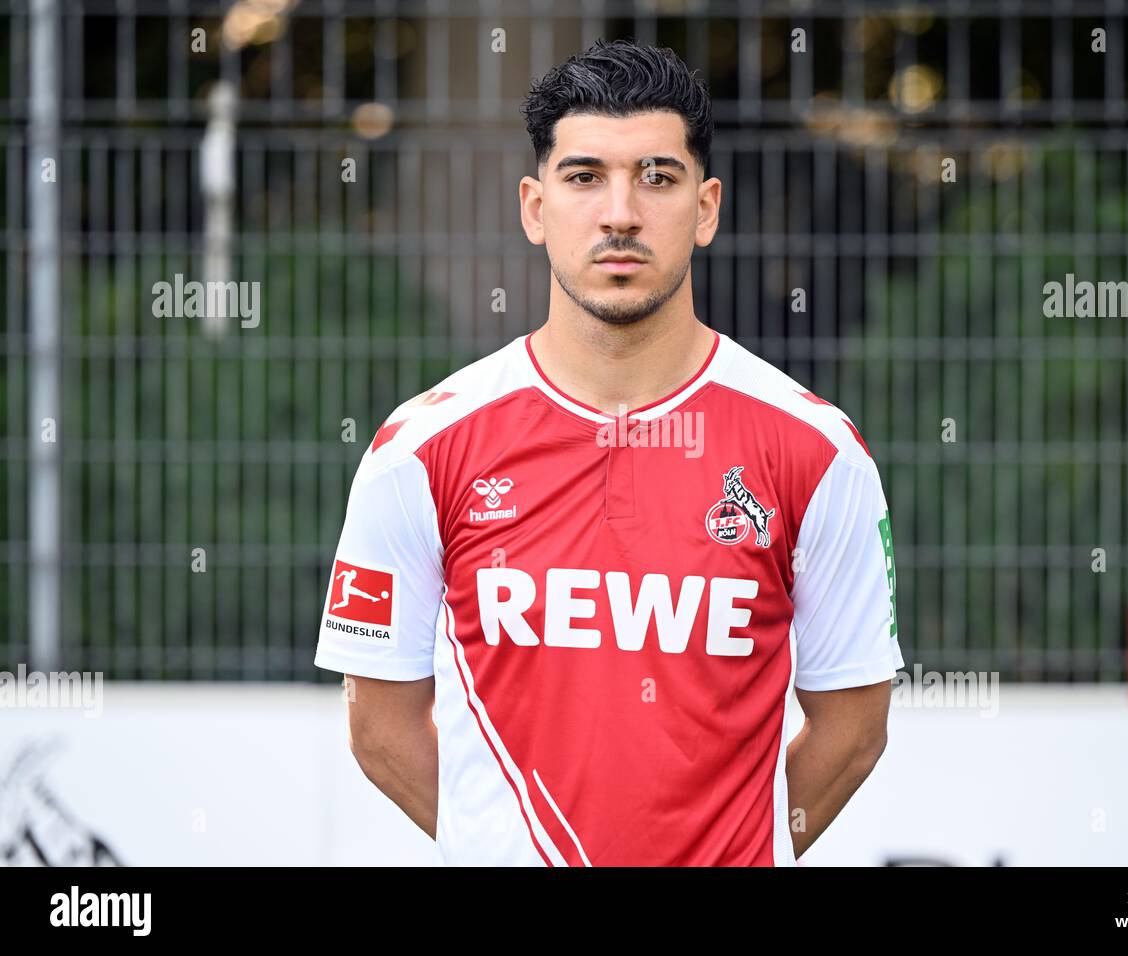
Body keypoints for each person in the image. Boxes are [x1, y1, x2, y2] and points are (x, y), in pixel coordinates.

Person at [315, 38, 903, 866]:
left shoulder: (814, 450)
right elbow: (377, 727)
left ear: (706, 209)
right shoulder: (420, 448)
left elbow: (852, 728)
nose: (620, 212)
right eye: (585, 176)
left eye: (657, 177)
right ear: (534, 206)